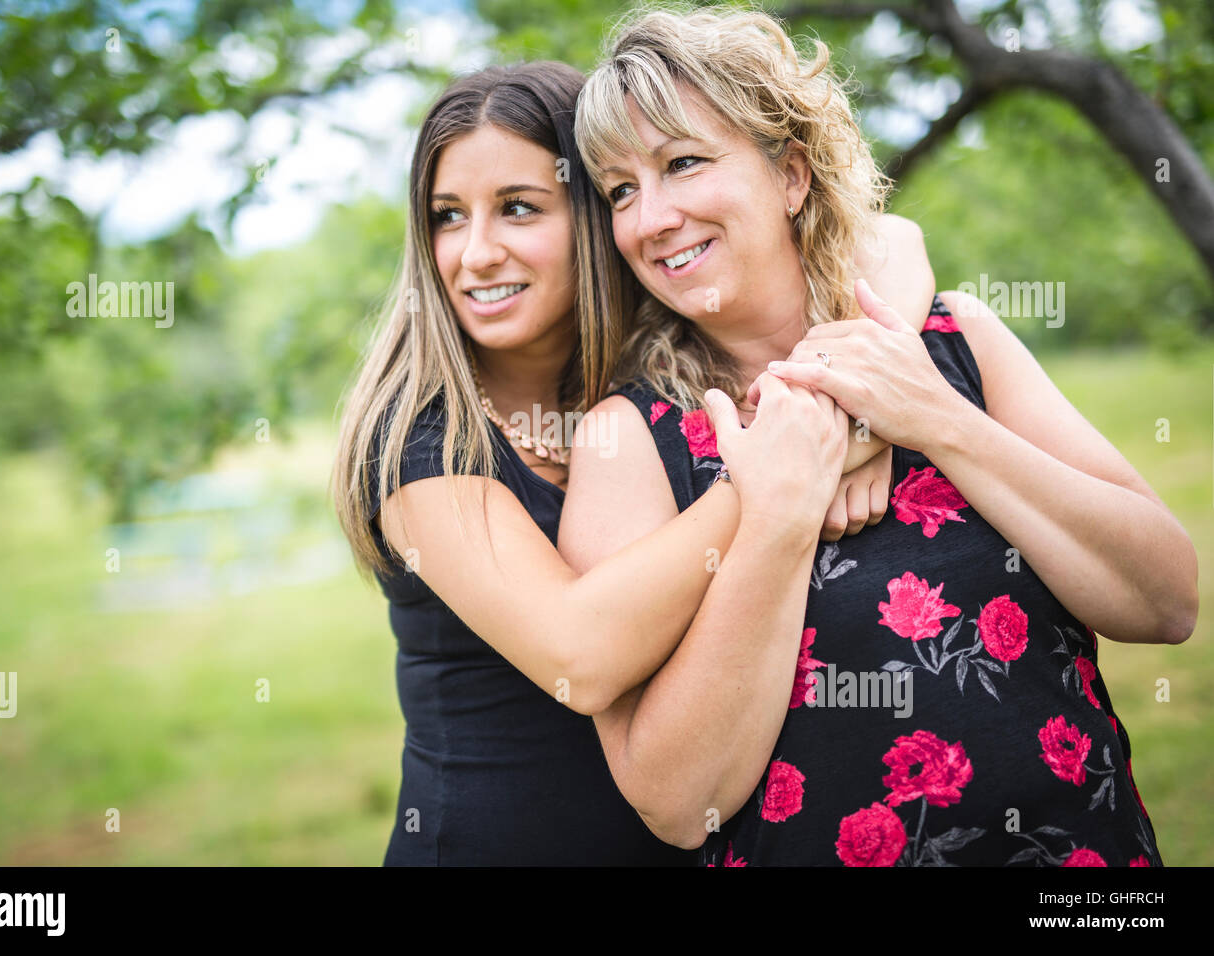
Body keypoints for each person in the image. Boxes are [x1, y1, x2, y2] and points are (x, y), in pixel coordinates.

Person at [564, 5, 1198, 865]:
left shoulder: (953, 341)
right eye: (621, 190)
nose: (650, 219)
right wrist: (780, 515)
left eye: (683, 164)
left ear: (790, 176)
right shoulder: (630, 441)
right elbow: (680, 807)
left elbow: (1167, 601)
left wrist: (934, 417)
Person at [332, 60, 936, 865]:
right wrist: (792, 464)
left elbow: (890, 240)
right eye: (447, 216)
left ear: (600, 214)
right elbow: (578, 661)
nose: (475, 253)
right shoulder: (418, 440)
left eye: (517, 209)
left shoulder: (653, 386)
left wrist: (855, 404)